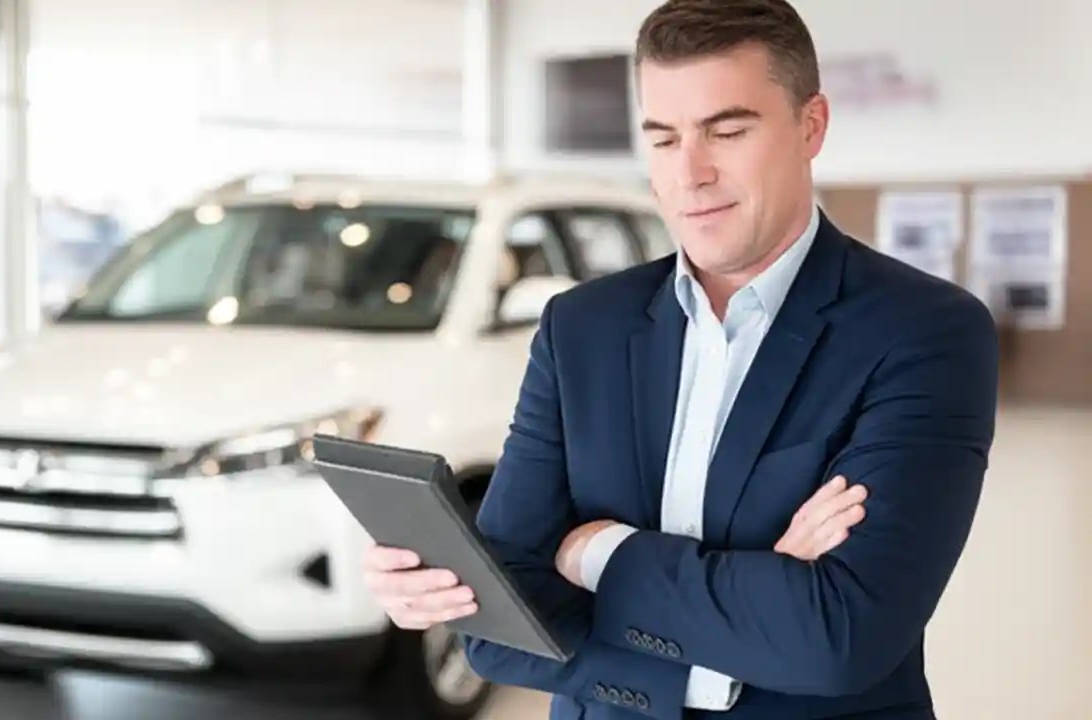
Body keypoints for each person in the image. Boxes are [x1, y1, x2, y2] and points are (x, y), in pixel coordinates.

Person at [363, 0, 999, 717]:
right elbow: (502, 633)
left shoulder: (923, 332)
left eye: (726, 131)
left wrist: (598, 554)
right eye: (662, 139)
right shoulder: (580, 329)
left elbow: (837, 637)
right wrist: (742, 615)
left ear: (811, 125)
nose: (690, 173)